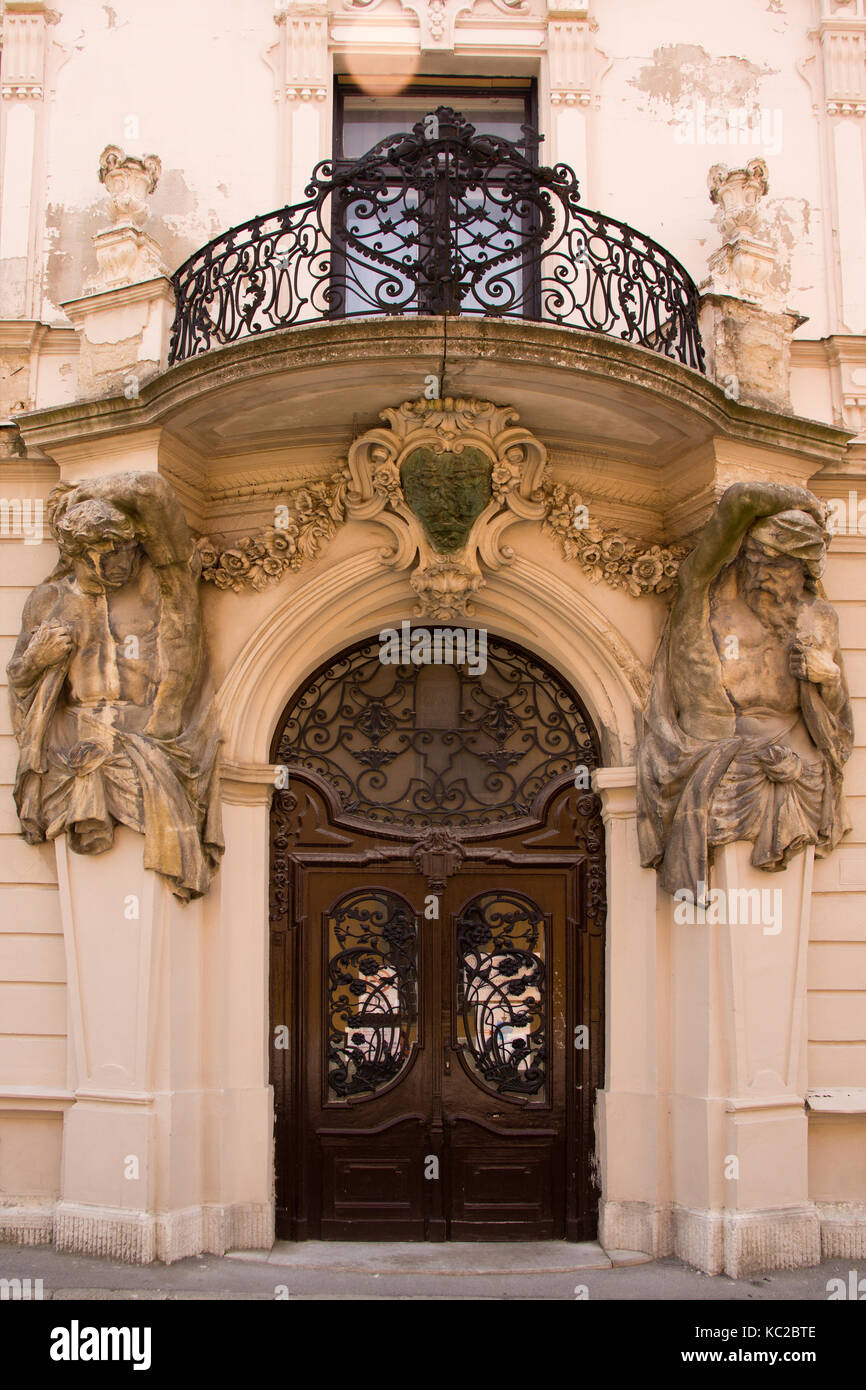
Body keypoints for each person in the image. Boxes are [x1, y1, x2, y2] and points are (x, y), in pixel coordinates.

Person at [7, 472, 223, 901]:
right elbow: (18, 676)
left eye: (122, 551)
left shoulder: (159, 587)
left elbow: (150, 490)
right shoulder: (49, 600)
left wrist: (85, 491)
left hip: (151, 744)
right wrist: (37, 658)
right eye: (100, 555)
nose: (115, 564)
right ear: (76, 554)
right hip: (76, 747)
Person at [637, 481, 853, 900]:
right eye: (753, 558)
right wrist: (806, 499)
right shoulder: (703, 598)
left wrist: (828, 680)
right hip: (717, 763)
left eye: (776, 564)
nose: (759, 572)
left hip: (795, 775)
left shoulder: (818, 618)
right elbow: (742, 499)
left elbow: (839, 725)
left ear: (803, 569)